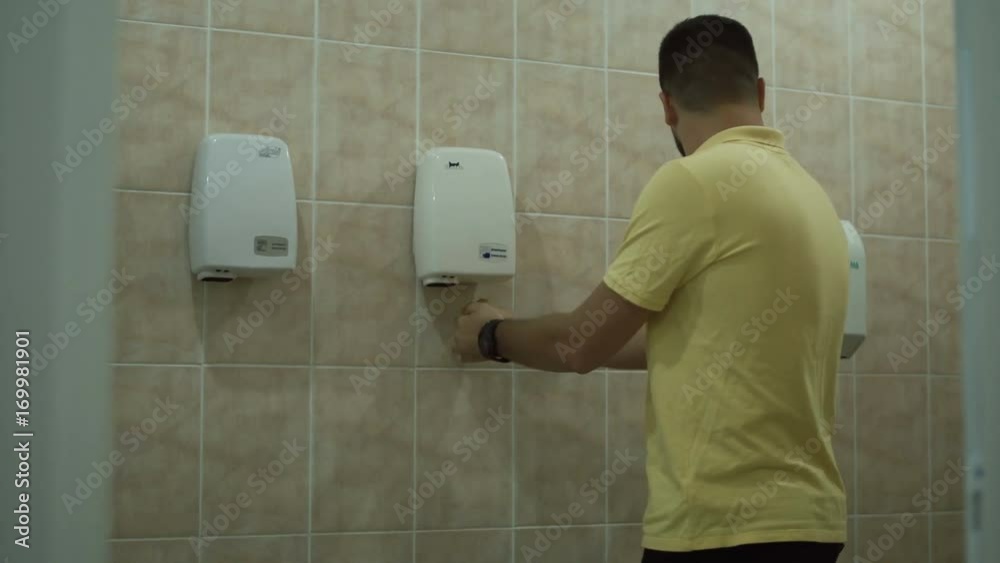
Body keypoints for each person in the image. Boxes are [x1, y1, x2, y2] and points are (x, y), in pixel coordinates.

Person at [454, 14, 849, 563]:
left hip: (719, 530)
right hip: (812, 525)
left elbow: (578, 344)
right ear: (760, 91)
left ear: (667, 105)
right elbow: (697, 343)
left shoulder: (694, 181)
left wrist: (490, 334)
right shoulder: (812, 198)